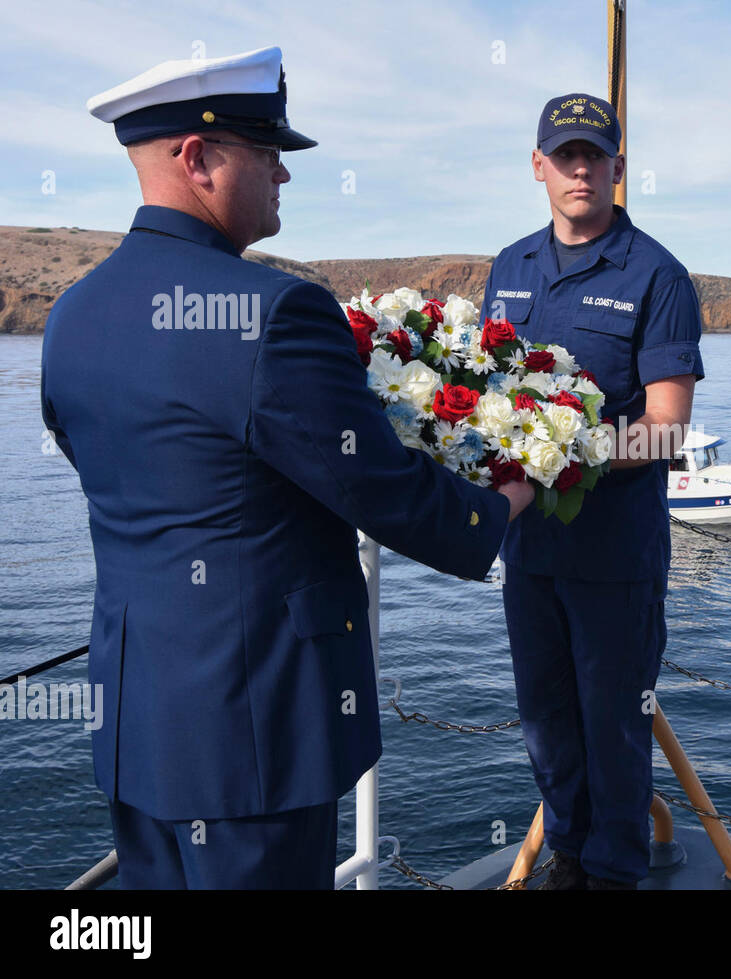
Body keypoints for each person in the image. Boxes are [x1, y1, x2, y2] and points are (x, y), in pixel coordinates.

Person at [40, 46, 534, 889]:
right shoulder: (272, 315)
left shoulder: (72, 315)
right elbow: (383, 489)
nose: (284, 173)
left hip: (137, 718)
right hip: (255, 730)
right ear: (196, 158)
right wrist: (504, 501)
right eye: (266, 150)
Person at [481, 92, 705, 889]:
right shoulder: (510, 268)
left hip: (615, 554)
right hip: (527, 549)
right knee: (544, 720)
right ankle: (567, 860)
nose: (580, 170)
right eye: (564, 155)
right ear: (538, 166)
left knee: (614, 726)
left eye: (595, 156)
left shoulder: (658, 275)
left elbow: (668, 427)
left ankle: (614, 872)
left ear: (618, 167)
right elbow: (485, 397)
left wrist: (571, 451)